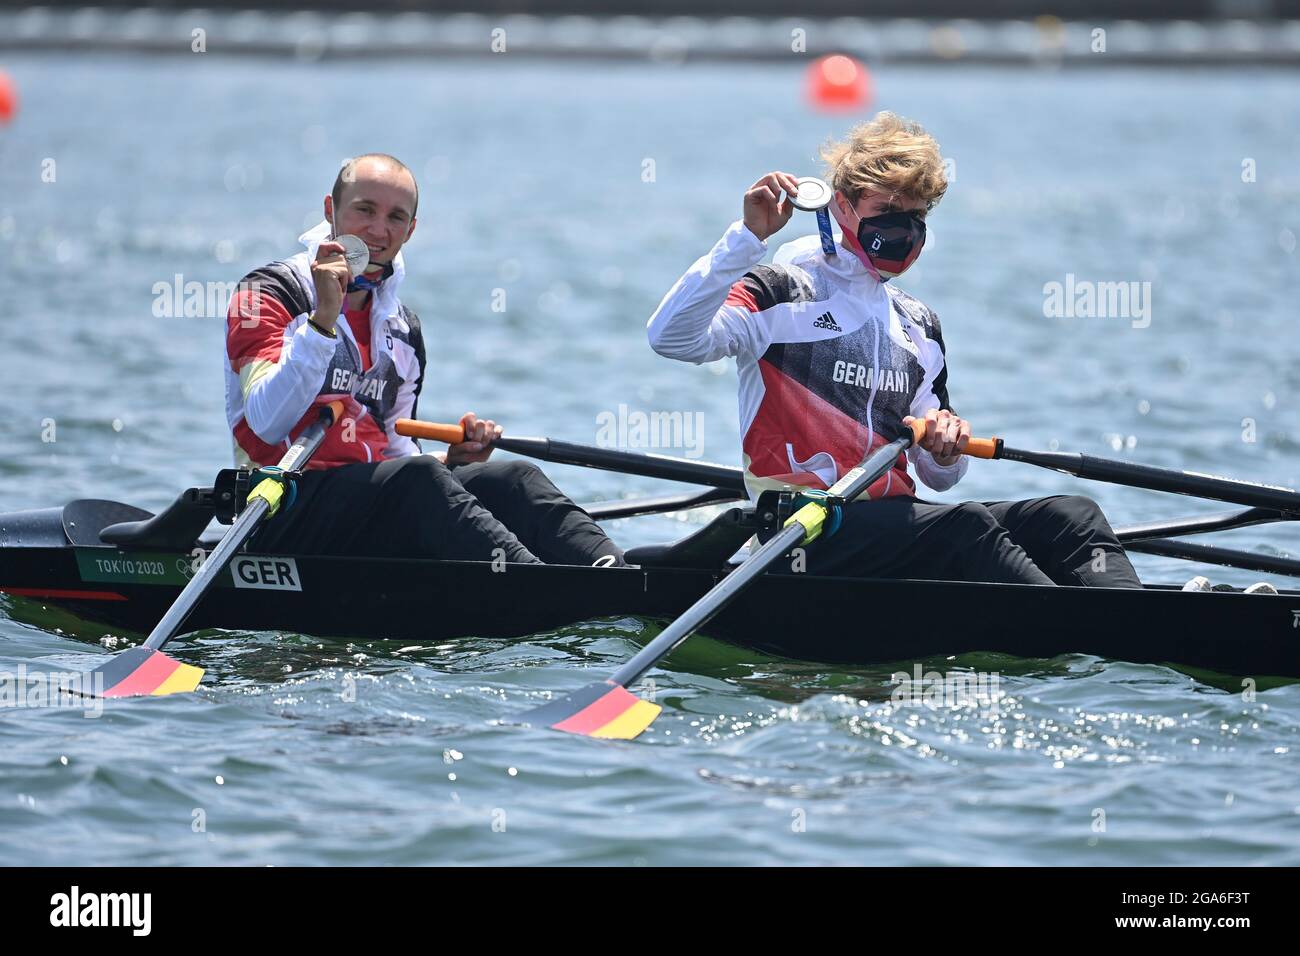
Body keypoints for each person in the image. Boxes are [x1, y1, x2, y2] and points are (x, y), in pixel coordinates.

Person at [646, 113, 1141, 588]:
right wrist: (747, 238)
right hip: (802, 534)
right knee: (967, 528)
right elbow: (670, 337)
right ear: (841, 206)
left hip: (887, 527)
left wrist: (946, 447)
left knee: (1070, 516)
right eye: (886, 212)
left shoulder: (918, 324)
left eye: (916, 216)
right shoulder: (779, 292)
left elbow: (939, 477)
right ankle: (1081, 629)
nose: (904, 229)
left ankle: (1134, 622)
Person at [224, 153, 624, 567]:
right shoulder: (266, 295)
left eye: (396, 217)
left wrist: (452, 459)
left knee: (514, 479)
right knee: (419, 482)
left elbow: (395, 455)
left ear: (410, 230)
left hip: (370, 506)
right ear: (331, 210)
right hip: (280, 506)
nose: (378, 230)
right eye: (364, 210)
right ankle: (548, 589)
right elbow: (267, 422)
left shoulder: (401, 328)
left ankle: (624, 580)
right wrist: (324, 319)